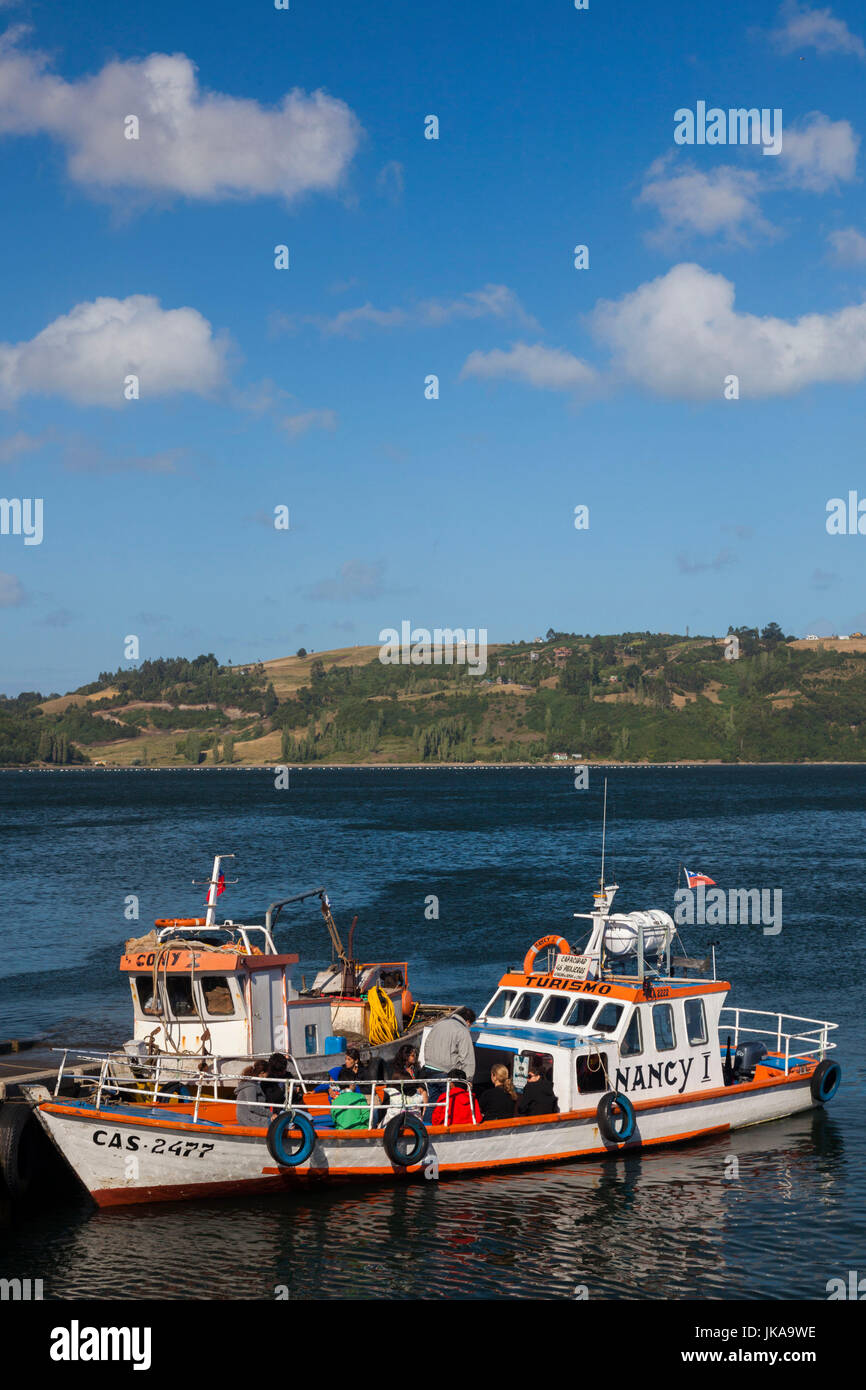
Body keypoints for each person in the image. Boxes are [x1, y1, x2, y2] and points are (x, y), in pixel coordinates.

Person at [421, 1008, 477, 1099]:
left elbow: (427, 1044)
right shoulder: (462, 1030)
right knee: (450, 1105)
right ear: (467, 1022)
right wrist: (468, 1080)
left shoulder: (439, 1024)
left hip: (429, 1069)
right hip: (445, 1073)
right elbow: (467, 1058)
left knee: (433, 1104)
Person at [235, 1060, 270, 1126]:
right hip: (250, 1119)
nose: (268, 1075)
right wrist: (271, 1114)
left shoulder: (254, 1084)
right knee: (280, 1124)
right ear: (262, 1073)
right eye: (268, 1073)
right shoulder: (251, 1086)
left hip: (250, 1117)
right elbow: (252, 1107)